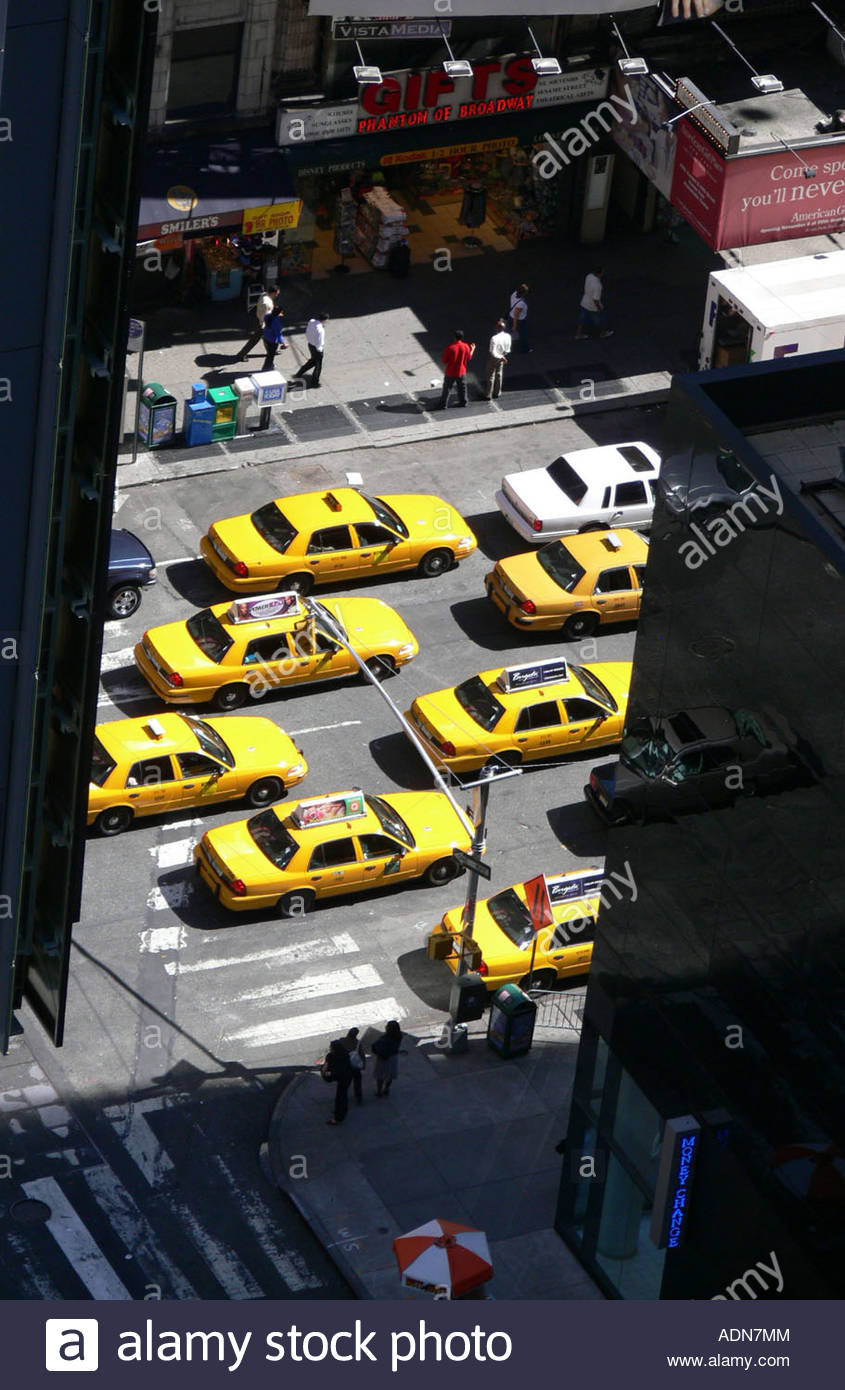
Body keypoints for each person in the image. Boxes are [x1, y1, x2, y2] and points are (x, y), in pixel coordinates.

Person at [236, 285, 279, 362]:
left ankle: (271, 351)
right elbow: (263, 316)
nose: (277, 295)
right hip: (262, 324)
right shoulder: (266, 303)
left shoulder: (264, 295)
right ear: (273, 293)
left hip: (262, 322)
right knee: (255, 340)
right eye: (276, 294)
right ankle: (241, 355)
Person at [438, 330, 475, 409]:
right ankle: (463, 402)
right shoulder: (466, 346)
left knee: (447, 389)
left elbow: (444, 360)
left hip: (450, 372)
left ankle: (443, 404)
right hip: (461, 371)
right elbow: (469, 357)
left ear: (454, 337)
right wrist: (472, 349)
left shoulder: (450, 348)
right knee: (462, 388)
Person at [292, 313, 328, 388]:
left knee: (312, 361)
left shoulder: (311, 322)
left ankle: (299, 373)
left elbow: (307, 332)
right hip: (317, 348)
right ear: (324, 320)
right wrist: (320, 351)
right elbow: (319, 342)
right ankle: (314, 382)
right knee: (318, 366)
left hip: (310, 345)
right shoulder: (320, 330)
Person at [576, 268, 613, 340]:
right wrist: (599, 309)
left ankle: (578, 334)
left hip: (584, 302)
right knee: (602, 319)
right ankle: (603, 333)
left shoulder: (588, 276)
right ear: (600, 274)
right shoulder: (598, 285)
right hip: (592, 306)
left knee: (582, 319)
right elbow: (596, 300)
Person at [323, 1039, 352, 1125]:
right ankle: (340, 1113)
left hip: (342, 1078)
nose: (330, 1048)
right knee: (342, 1094)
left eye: (331, 1047)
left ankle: (338, 1117)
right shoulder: (345, 1054)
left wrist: (328, 1073)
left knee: (341, 1097)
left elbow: (327, 1068)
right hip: (347, 1076)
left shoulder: (332, 1056)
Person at [372, 1020, 402, 1097]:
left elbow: (375, 1048)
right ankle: (386, 1089)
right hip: (393, 1058)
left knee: (380, 1075)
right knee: (390, 1075)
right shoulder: (399, 1036)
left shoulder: (384, 1038)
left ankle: (379, 1091)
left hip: (383, 1059)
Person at [485, 318, 511, 401]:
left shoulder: (494, 338)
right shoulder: (508, 336)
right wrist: (503, 356)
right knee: (499, 374)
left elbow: (492, 352)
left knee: (490, 375)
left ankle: (488, 394)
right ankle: (497, 392)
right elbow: (508, 349)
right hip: (502, 356)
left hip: (494, 358)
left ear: (497, 328)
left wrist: (500, 356)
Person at [342, 1027, 366, 1104]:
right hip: (355, 1066)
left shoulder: (342, 1041)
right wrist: (363, 1065)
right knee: (357, 1082)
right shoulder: (357, 1043)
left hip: (345, 1065)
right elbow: (362, 1055)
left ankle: (343, 1097)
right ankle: (359, 1097)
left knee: (345, 1083)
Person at [261, 304, 288, 371]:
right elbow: (278, 334)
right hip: (272, 341)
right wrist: (284, 343)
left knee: (269, 353)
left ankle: (270, 365)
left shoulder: (267, 316)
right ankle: (266, 368)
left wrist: (277, 315)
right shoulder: (276, 323)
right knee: (270, 356)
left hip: (265, 337)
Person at [508, 283, 530, 353]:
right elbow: (516, 315)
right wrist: (515, 326)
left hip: (510, 316)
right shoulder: (521, 303)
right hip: (519, 320)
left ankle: (509, 346)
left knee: (511, 332)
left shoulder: (514, 294)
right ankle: (524, 349)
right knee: (523, 334)